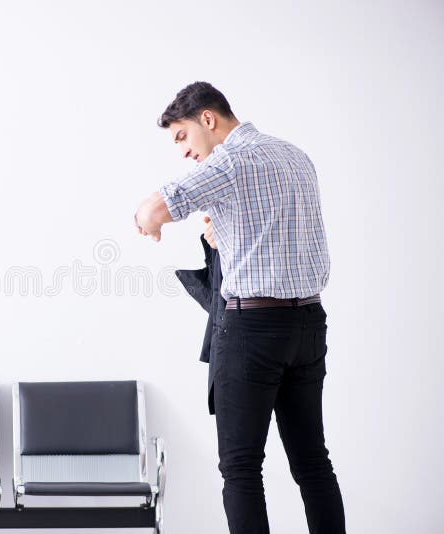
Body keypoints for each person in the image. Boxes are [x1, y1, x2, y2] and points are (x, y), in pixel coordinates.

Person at [134, 81, 345, 534]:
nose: (184, 151)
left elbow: (156, 208)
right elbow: (279, 235)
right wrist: (222, 236)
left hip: (252, 329)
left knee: (242, 468)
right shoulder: (295, 156)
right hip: (308, 323)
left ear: (207, 119)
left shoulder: (229, 161)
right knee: (313, 462)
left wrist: (144, 223)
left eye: (182, 137)